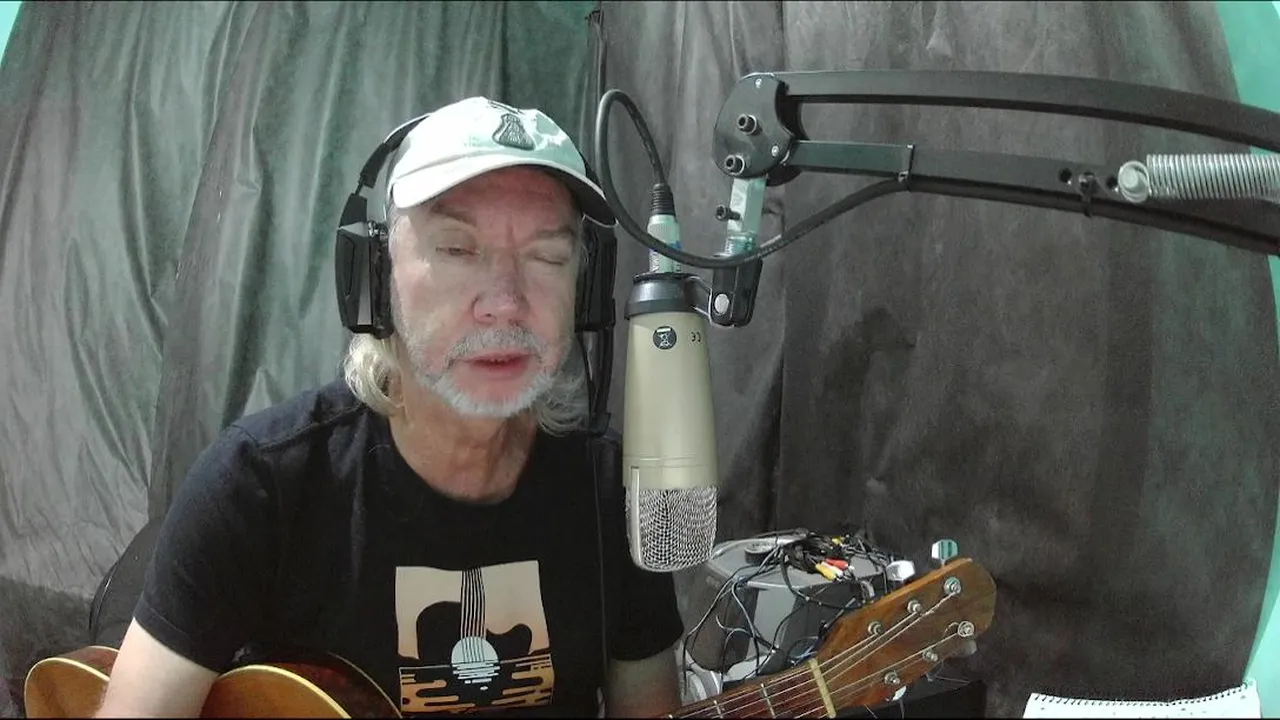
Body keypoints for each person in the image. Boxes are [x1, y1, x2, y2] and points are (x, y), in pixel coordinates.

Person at [95, 97, 685, 718]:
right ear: (375, 280)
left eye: (547, 257)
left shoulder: (615, 491)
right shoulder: (259, 486)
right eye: (457, 250)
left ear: (585, 292)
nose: (506, 303)